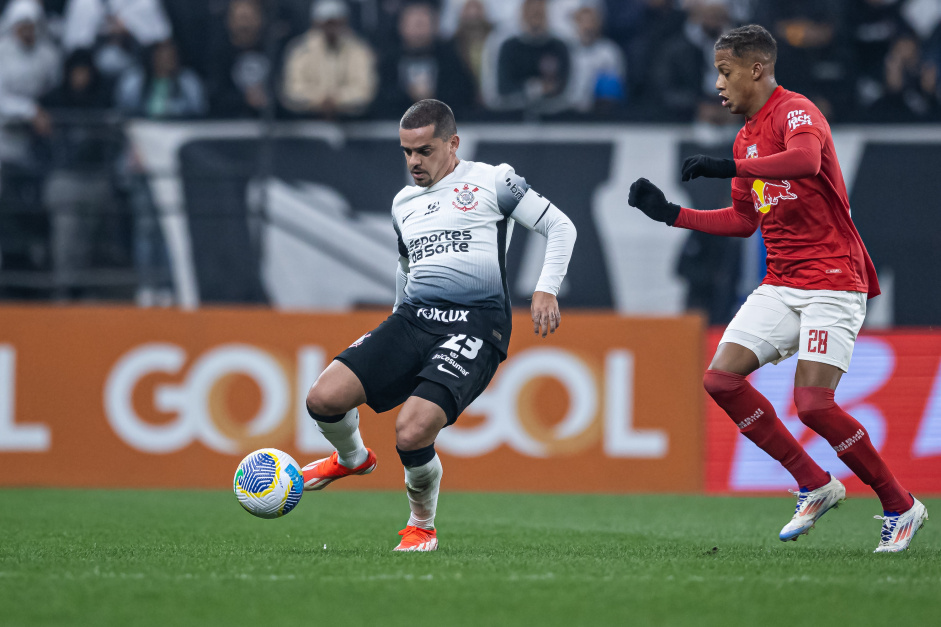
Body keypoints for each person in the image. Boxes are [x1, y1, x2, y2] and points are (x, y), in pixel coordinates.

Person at [627, 24, 928, 552]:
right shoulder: (744, 136)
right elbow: (743, 221)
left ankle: (901, 505)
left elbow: (808, 162)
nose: (717, 83)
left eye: (724, 71)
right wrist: (672, 215)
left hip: (834, 277)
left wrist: (731, 166)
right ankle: (814, 483)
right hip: (782, 282)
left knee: (813, 405)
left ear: (756, 69)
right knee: (721, 381)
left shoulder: (796, 113)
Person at [301, 99, 576, 551]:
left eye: (424, 151)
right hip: (413, 320)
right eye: (406, 151)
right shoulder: (403, 203)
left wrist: (546, 288)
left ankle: (420, 525)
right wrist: (394, 317)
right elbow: (406, 267)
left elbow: (561, 227)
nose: (413, 162)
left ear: (453, 144)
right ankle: (352, 459)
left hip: (475, 324)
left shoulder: (492, 179)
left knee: (411, 430)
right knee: (322, 398)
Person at [279, 0, 377, 118]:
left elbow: (364, 90)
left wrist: (336, 100)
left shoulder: (358, 50)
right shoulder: (300, 49)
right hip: (306, 119)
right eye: (327, 23)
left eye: (335, 22)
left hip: (350, 121)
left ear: (344, 22)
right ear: (316, 23)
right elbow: (292, 89)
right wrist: (320, 100)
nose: (331, 28)